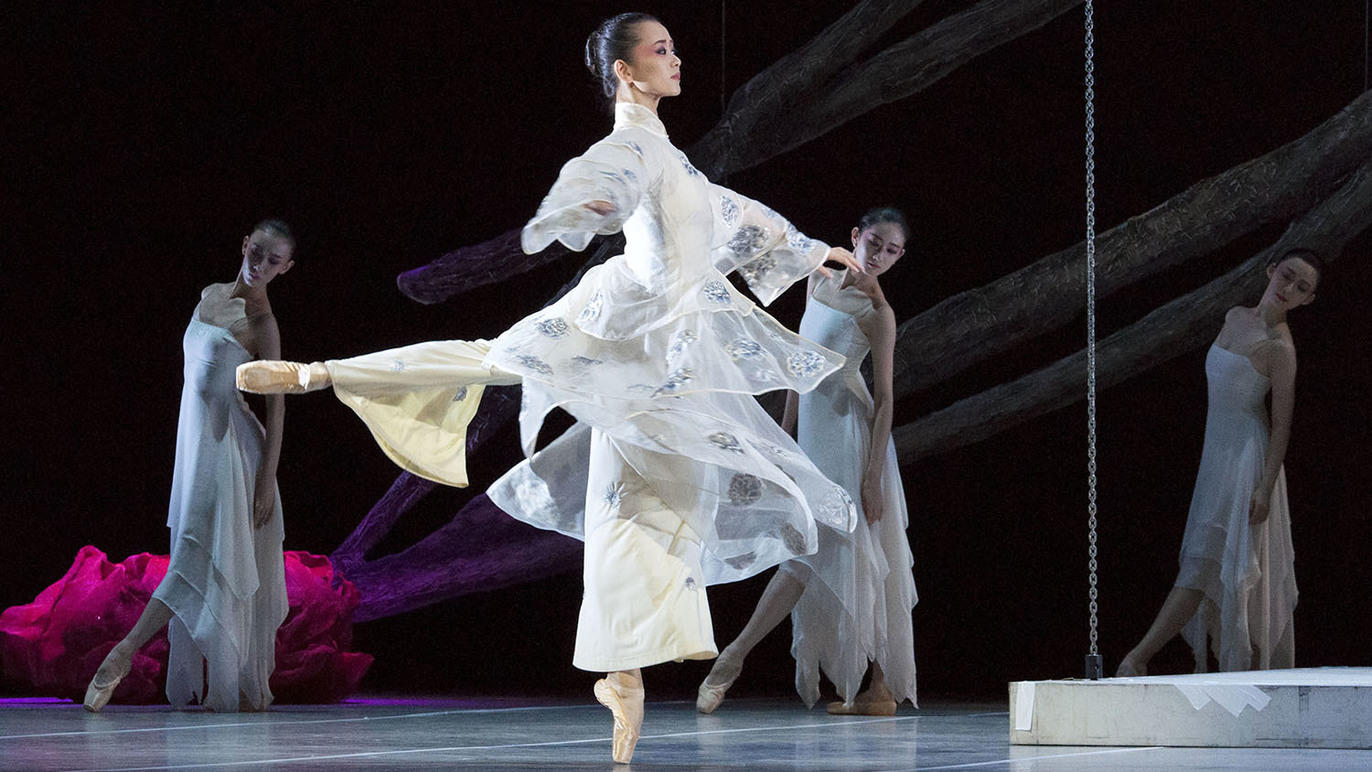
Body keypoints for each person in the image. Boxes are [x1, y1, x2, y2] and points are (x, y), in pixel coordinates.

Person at [236, 13, 861, 764]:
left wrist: (807, 247)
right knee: (493, 360)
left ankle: (621, 668)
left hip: (676, 346)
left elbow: (727, 209)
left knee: (651, 495)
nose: (677, 56)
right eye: (660, 49)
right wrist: (588, 205)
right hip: (626, 318)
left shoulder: (668, 151)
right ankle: (319, 374)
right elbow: (611, 173)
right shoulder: (631, 143)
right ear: (627, 72)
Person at [697, 207, 917, 715]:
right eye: (875, 244)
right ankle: (878, 688)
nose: (881, 257)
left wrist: (871, 477)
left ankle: (732, 659)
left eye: (892, 251)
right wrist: (784, 440)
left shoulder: (878, 313)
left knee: (820, 554)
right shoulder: (818, 284)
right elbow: (799, 368)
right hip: (815, 434)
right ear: (855, 237)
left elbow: (884, 398)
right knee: (838, 552)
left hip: (850, 435)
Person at [83, 220, 295, 712]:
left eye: (272, 260)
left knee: (192, 559)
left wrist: (267, 479)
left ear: (285, 269)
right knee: (192, 555)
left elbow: (277, 408)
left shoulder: (263, 325)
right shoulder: (211, 294)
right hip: (195, 444)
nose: (259, 264)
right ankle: (142, 657)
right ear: (244, 244)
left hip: (229, 452)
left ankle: (121, 654)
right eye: (256, 252)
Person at [1115, 248, 1320, 676]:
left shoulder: (1280, 349)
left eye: (1302, 288)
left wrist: (1264, 486)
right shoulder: (1233, 317)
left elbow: (1282, 424)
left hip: (1246, 461)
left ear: (1307, 301)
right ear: (1270, 270)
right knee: (1205, 562)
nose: (1289, 289)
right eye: (1287, 277)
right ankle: (1144, 659)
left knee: (1206, 564)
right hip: (1218, 455)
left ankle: (1137, 658)